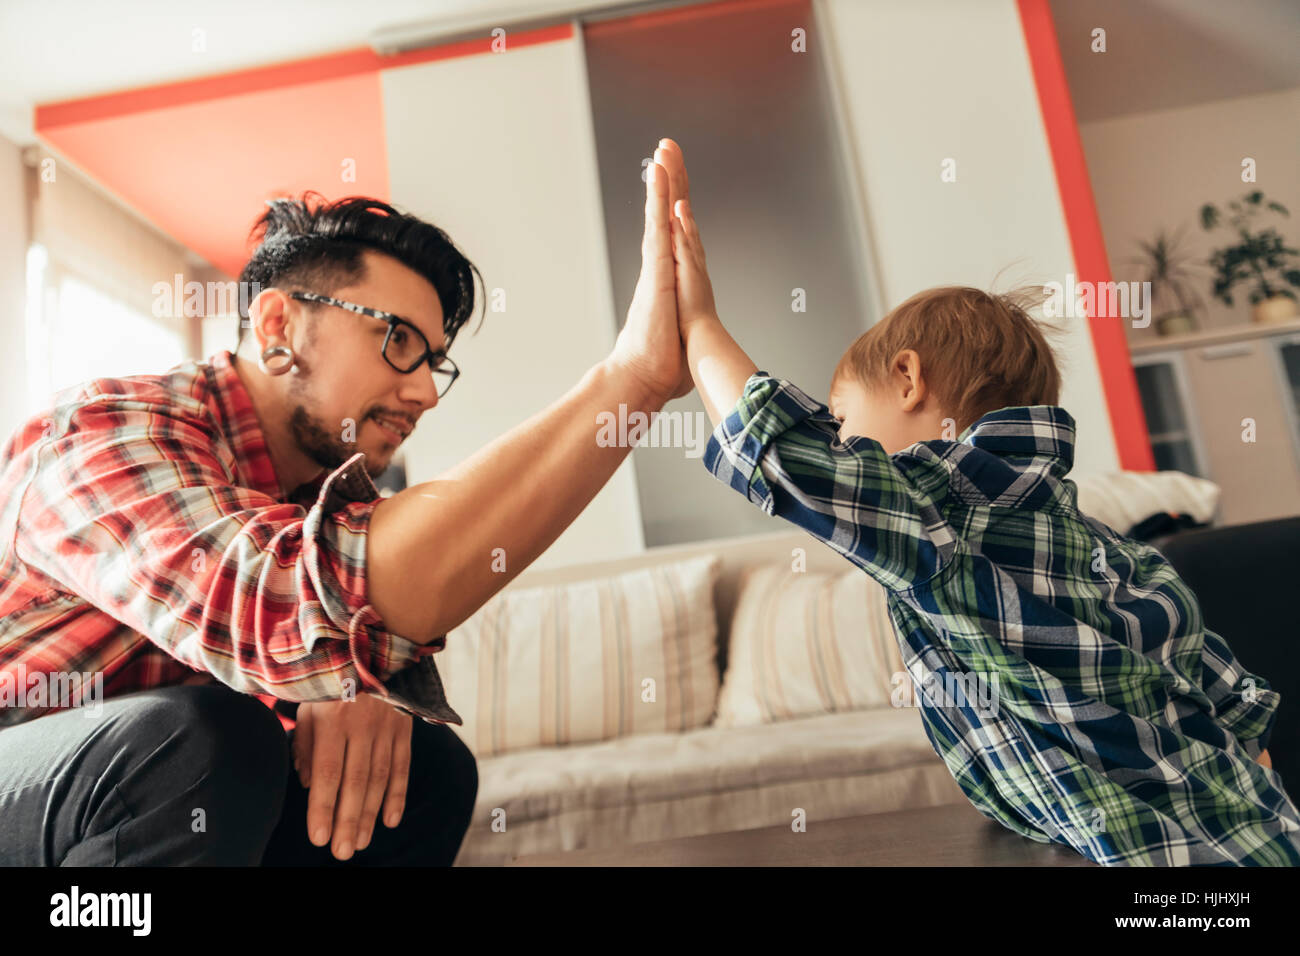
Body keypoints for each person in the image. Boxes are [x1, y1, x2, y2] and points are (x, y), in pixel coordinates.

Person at [0, 141, 692, 865]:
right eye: (398, 341)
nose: (424, 391)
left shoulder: (310, 499)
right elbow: (275, 597)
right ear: (278, 331)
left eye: (435, 361)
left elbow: (327, 623)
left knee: (422, 769)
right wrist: (631, 381)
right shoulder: (102, 429)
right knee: (193, 746)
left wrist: (355, 688)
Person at [654, 136, 1299, 866]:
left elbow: (794, 461)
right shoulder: (1088, 538)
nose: (842, 439)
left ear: (908, 378)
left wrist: (700, 326)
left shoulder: (948, 504)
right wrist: (1249, 740)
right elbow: (1208, 664)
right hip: (1252, 823)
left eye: (842, 416)